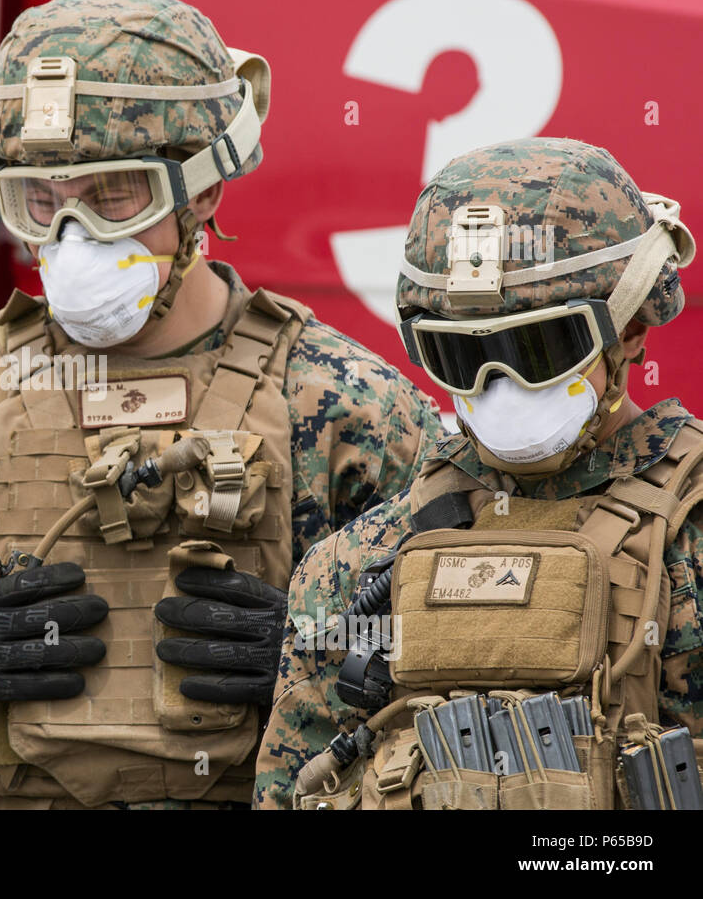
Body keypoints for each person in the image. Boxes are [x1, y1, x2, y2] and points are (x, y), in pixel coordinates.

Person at [0, 0, 443, 809]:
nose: (73, 236)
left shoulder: (353, 412)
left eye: (115, 197)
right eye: (41, 200)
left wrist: (322, 656)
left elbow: (479, 684)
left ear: (203, 191)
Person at [255, 137, 703, 811]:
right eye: (462, 355)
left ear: (632, 327)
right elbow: (292, 791)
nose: (500, 387)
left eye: (536, 346)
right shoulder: (357, 562)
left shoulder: (690, 539)